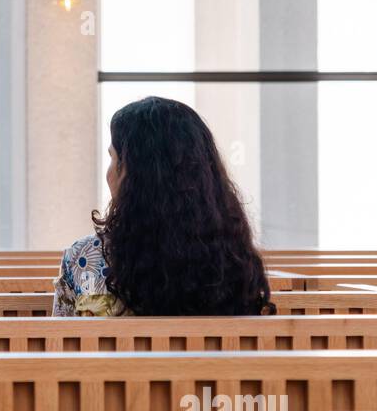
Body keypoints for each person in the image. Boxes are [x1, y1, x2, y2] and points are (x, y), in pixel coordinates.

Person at [52, 96, 274, 317]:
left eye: (113, 158)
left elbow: (57, 348)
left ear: (133, 177)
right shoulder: (233, 259)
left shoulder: (83, 260)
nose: (109, 172)